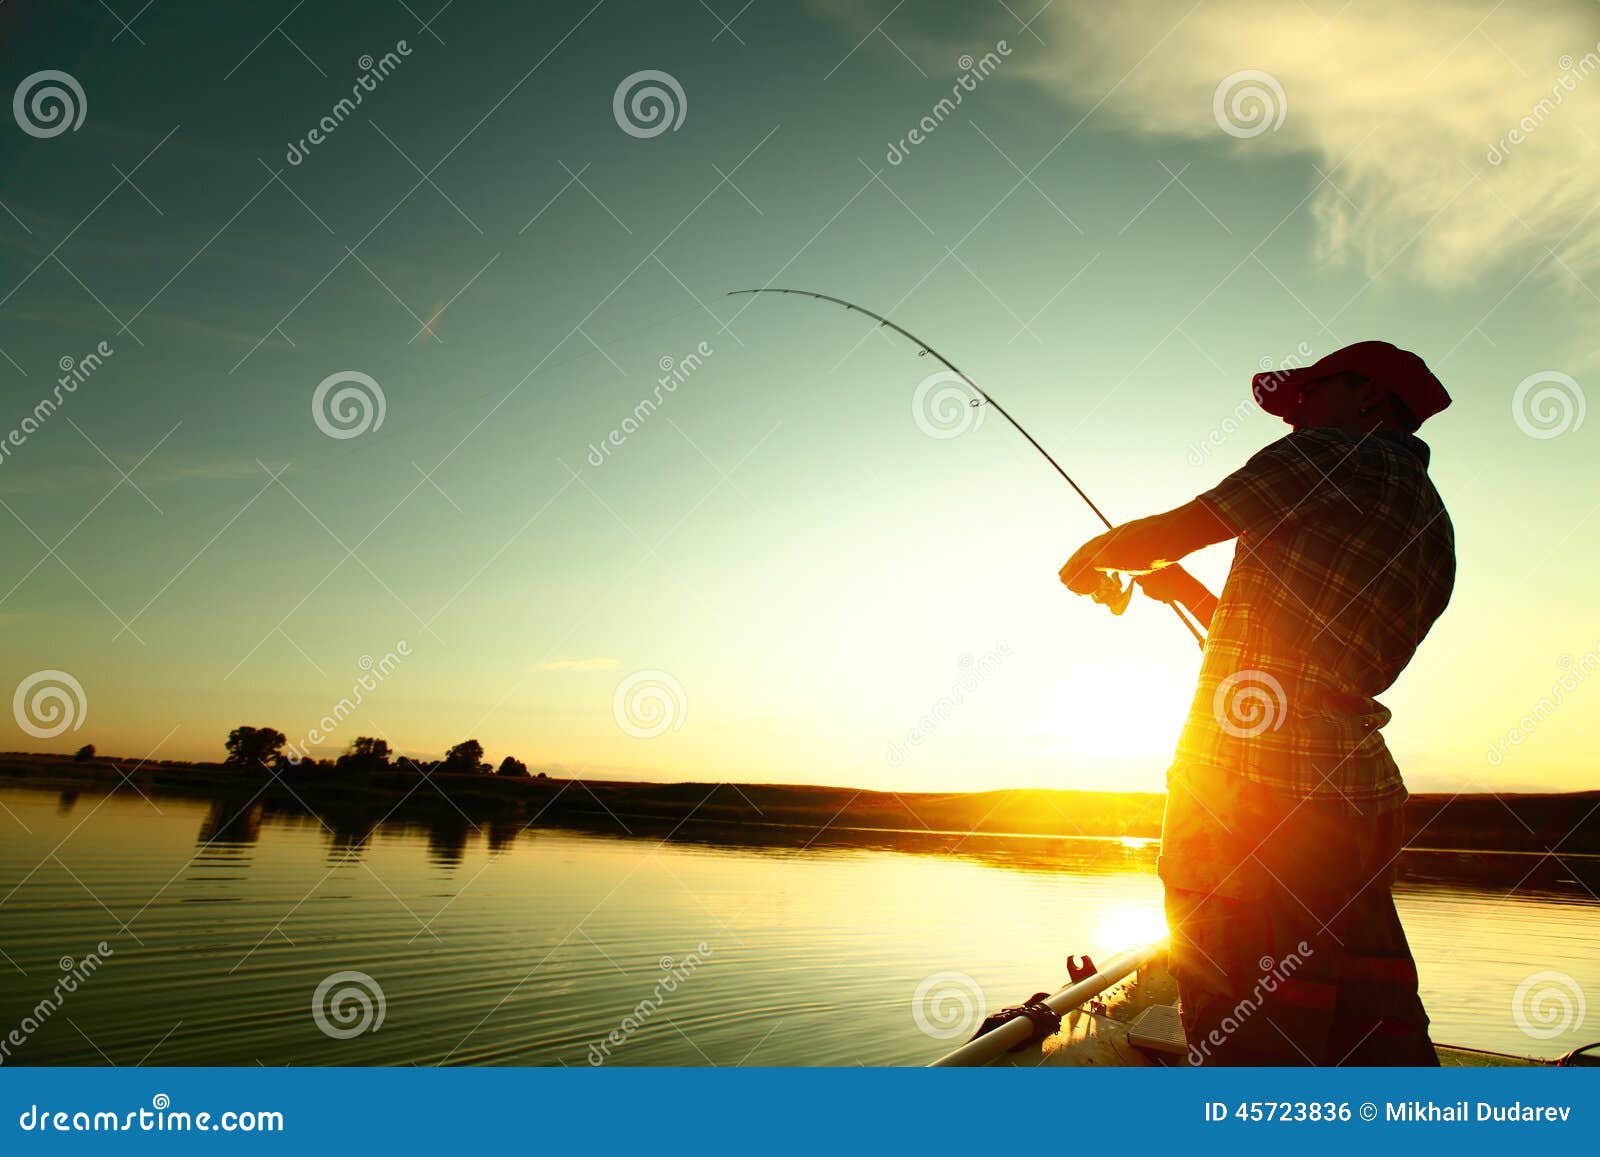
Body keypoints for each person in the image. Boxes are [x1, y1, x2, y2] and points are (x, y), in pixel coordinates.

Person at [1059, 341, 1455, 1066]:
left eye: (1309, 396)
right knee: (1364, 1016)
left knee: (1242, 1016)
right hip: (1358, 797)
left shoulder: (1326, 454)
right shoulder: (1434, 521)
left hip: (1252, 791)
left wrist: (1092, 556)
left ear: (1367, 395)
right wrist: (1183, 589)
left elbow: (1172, 532)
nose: (1294, 417)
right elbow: (1302, 655)